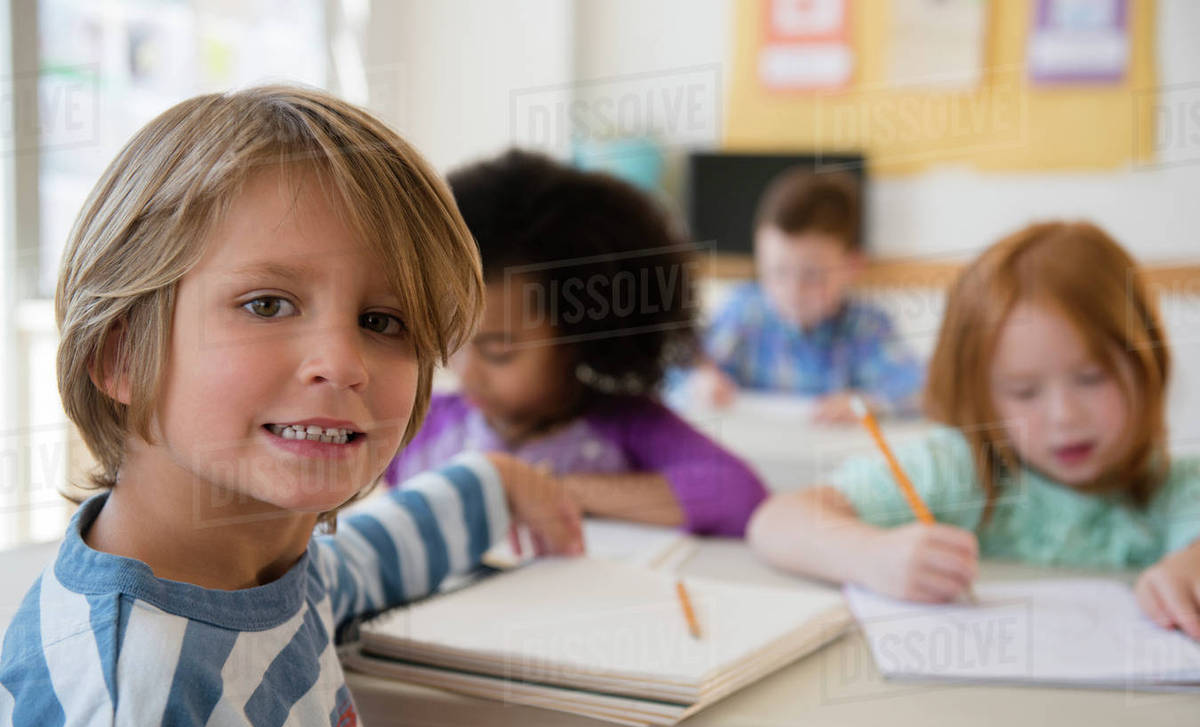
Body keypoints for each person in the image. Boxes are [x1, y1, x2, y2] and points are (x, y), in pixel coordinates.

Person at [0, 86, 581, 727]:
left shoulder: (266, 566)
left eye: (382, 319)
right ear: (120, 355)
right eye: (266, 304)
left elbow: (363, 559)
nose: (344, 361)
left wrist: (496, 483)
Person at [748, 221, 1200, 638]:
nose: (1064, 415)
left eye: (1092, 378)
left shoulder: (1172, 488)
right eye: (1023, 391)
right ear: (980, 393)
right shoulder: (956, 470)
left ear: (1147, 366)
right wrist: (869, 556)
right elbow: (774, 522)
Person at [387, 150, 768, 536]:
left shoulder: (626, 425)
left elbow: (738, 494)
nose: (465, 373)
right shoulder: (419, 424)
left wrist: (552, 490)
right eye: (452, 339)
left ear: (579, 337)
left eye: (498, 351)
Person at [692, 168, 923, 422]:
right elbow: (682, 369)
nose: (793, 290)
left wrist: (867, 403)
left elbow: (920, 390)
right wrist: (702, 379)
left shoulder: (866, 327)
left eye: (812, 275)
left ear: (853, 266)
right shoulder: (744, 313)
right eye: (777, 271)